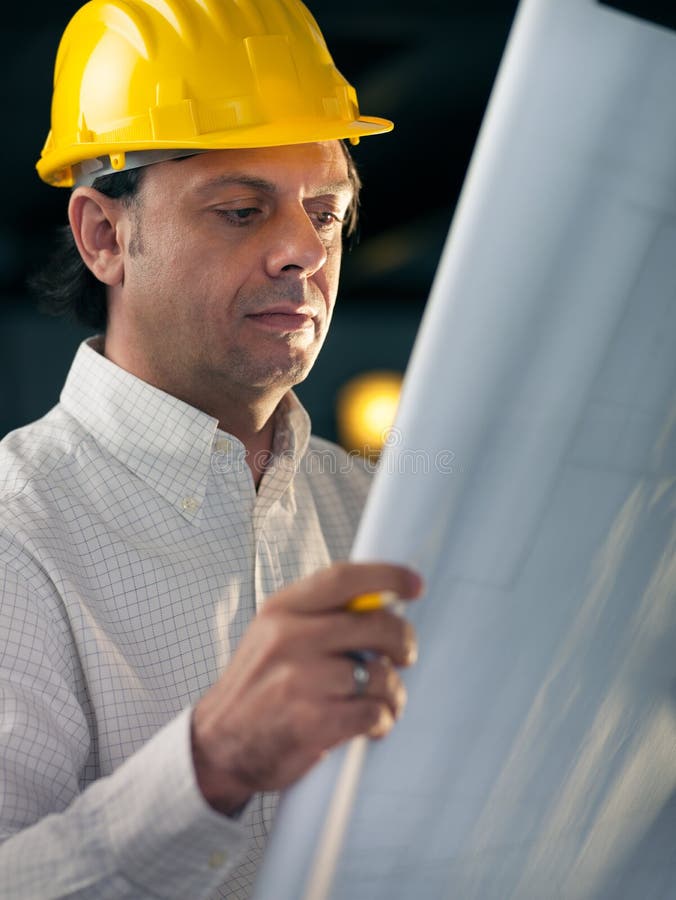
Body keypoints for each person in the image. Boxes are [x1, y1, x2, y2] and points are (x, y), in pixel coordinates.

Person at [0, 0, 423, 897]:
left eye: (327, 212)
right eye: (240, 211)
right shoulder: (16, 536)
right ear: (104, 236)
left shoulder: (383, 518)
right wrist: (213, 764)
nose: (304, 251)